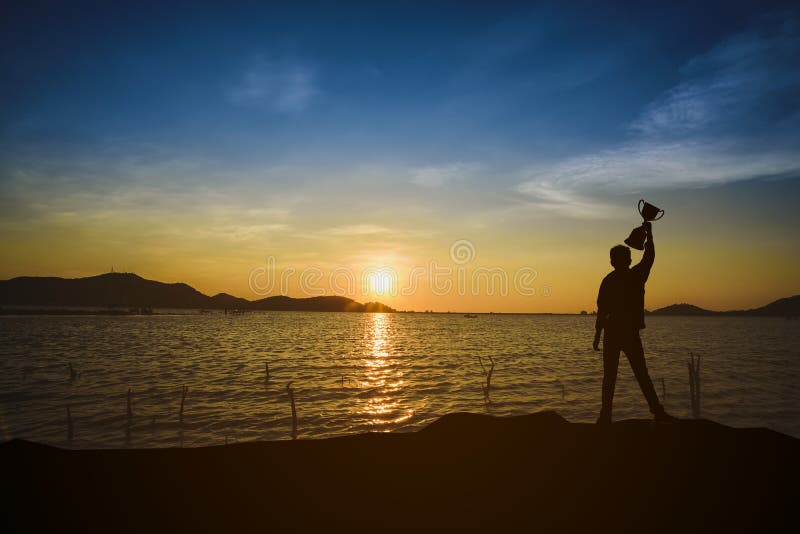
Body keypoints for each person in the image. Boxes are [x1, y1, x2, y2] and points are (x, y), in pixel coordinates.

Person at [593, 221, 677, 424]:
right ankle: (655, 412)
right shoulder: (632, 276)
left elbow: (602, 311)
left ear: (615, 261)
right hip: (622, 333)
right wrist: (650, 236)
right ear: (628, 260)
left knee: (615, 377)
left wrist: (597, 335)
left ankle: (607, 415)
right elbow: (649, 258)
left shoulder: (614, 279)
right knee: (638, 375)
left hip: (619, 333)